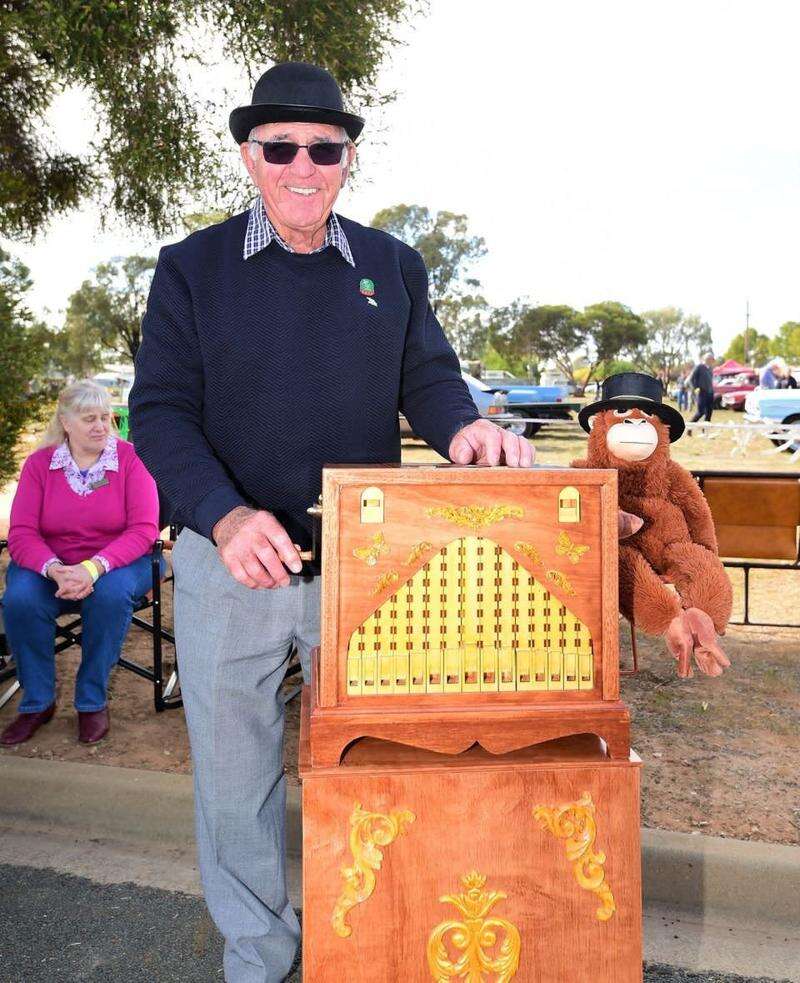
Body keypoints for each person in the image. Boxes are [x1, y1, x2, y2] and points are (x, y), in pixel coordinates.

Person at [128, 62, 534, 983]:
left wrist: (463, 424)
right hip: (227, 566)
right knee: (237, 789)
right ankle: (258, 959)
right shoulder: (189, 270)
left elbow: (425, 376)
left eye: (324, 149)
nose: (302, 166)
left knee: (375, 772)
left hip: (364, 572)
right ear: (249, 156)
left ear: (347, 159)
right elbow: (157, 415)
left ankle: (372, 944)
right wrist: (226, 518)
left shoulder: (393, 266)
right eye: (281, 148)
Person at [1, 380, 159, 746]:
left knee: (109, 595)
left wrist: (93, 568)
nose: (101, 426)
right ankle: (37, 702)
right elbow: (22, 532)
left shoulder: (131, 460)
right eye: (89, 418)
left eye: (106, 417)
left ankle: (91, 701)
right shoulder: (40, 465)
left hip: (120, 561)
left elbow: (144, 530)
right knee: (21, 599)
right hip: (51, 565)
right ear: (65, 422)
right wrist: (55, 569)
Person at [687, 352, 716, 433]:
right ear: (707, 359)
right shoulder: (699, 367)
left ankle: (705, 431)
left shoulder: (710, 368)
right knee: (701, 412)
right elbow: (691, 379)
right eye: (711, 359)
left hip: (710, 393)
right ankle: (689, 427)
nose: (712, 361)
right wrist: (695, 388)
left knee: (709, 412)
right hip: (702, 392)